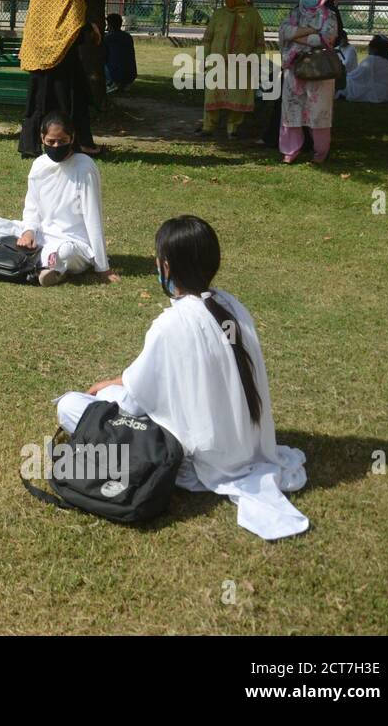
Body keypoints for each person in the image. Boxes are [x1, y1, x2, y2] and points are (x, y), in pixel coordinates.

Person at [55, 216, 308, 540]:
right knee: (107, 396)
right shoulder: (232, 305)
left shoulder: (172, 324)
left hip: (195, 461)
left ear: (167, 267)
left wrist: (113, 388)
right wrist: (121, 380)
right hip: (247, 447)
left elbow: (134, 405)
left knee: (71, 405)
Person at [0, 113, 118, 287]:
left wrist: (102, 268)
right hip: (40, 235)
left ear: (72, 138)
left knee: (65, 252)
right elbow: (32, 207)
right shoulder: (39, 164)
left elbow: (93, 218)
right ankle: (41, 266)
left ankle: (46, 268)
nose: (56, 146)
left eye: (62, 141)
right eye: (51, 141)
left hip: (71, 240)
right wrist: (29, 231)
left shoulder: (84, 167)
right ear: (42, 138)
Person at [18, 0, 103, 158]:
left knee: (39, 102)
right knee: (71, 101)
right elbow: (72, 26)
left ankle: (32, 145)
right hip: (65, 63)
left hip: (39, 60)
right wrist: (90, 30)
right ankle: (77, 143)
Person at [278, 0, 339, 164]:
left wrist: (298, 36)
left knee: (318, 111)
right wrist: (311, 32)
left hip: (319, 70)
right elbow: (283, 31)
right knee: (292, 109)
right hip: (294, 68)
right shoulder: (295, 14)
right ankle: (290, 150)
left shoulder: (329, 16)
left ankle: (320, 152)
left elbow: (326, 38)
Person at [198, 0, 265, 137]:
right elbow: (207, 38)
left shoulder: (252, 15)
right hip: (217, 62)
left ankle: (232, 127)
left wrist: (257, 60)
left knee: (239, 95)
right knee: (212, 93)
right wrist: (204, 57)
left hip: (242, 63)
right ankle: (208, 126)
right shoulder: (219, 14)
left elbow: (259, 41)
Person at [340, 35, 388, 103]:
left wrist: (344, 75)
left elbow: (356, 75)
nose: (368, 50)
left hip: (378, 93)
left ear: (375, 49)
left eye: (369, 48)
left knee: (347, 82)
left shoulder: (372, 59)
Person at [102, 13, 137, 94]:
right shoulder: (127, 36)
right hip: (131, 75)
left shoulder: (108, 38)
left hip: (116, 73)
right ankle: (123, 84)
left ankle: (112, 82)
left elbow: (104, 56)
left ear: (109, 25)